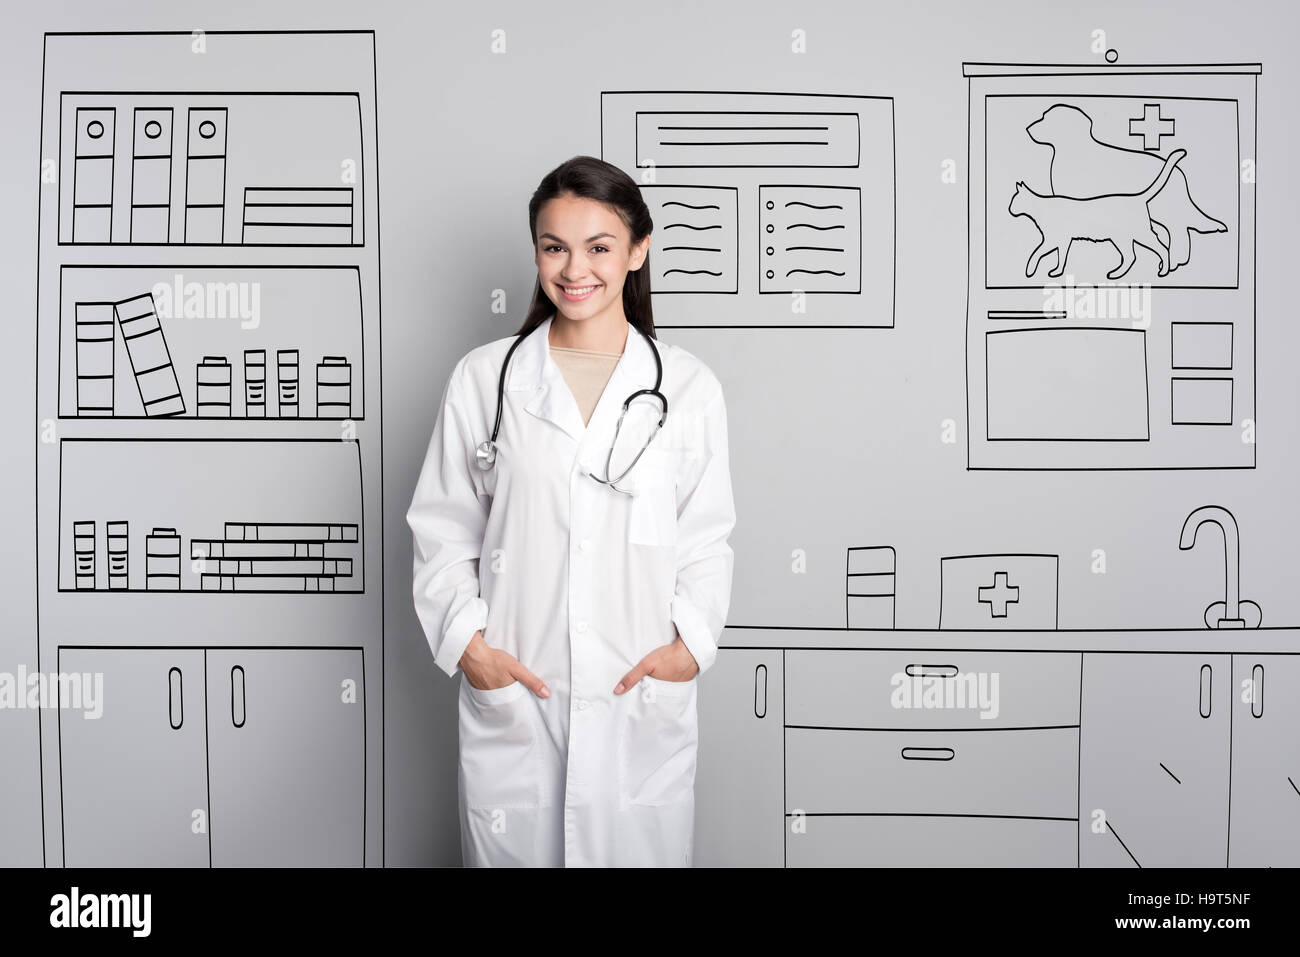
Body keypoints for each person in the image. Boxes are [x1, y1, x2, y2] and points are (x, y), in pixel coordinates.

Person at [406, 155, 737, 867]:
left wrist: (691, 646)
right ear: (536, 252)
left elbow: (707, 537)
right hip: (521, 691)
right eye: (554, 246)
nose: (573, 267)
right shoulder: (487, 379)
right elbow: (440, 530)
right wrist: (472, 648)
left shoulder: (685, 387)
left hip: (635, 697)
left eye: (599, 246)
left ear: (638, 250)